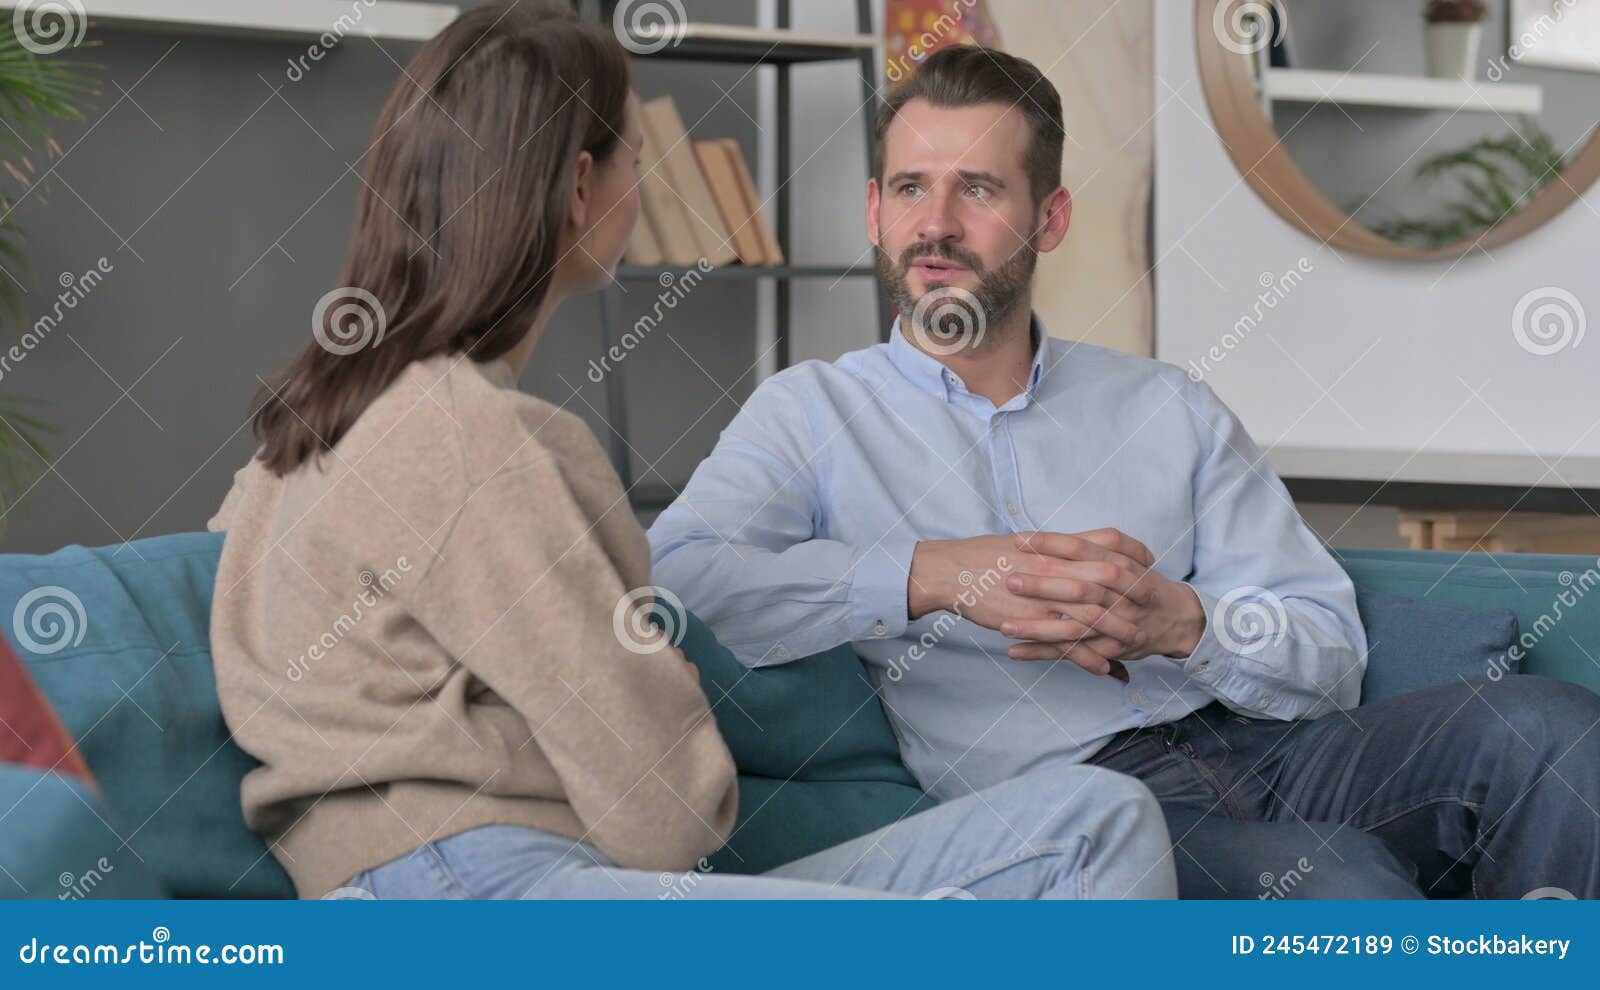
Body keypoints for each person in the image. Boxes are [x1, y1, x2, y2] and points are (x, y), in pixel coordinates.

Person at [206, 4, 1176, 902]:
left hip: (452, 885)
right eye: (634, 155)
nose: (643, 185)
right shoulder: (477, 440)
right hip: (496, 891)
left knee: (1091, 819)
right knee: (1098, 835)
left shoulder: (311, 426)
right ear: (582, 187)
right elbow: (659, 807)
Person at [648, 44, 1600, 899]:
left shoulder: (1166, 406)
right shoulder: (812, 411)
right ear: (872, 210)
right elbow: (678, 579)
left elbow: (1331, 649)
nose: (934, 225)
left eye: (977, 189)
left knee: (1554, 731)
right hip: (1089, 808)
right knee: (1337, 886)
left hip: (1275, 748)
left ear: (1049, 216)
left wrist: (1186, 625)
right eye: (909, 189)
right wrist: (931, 574)